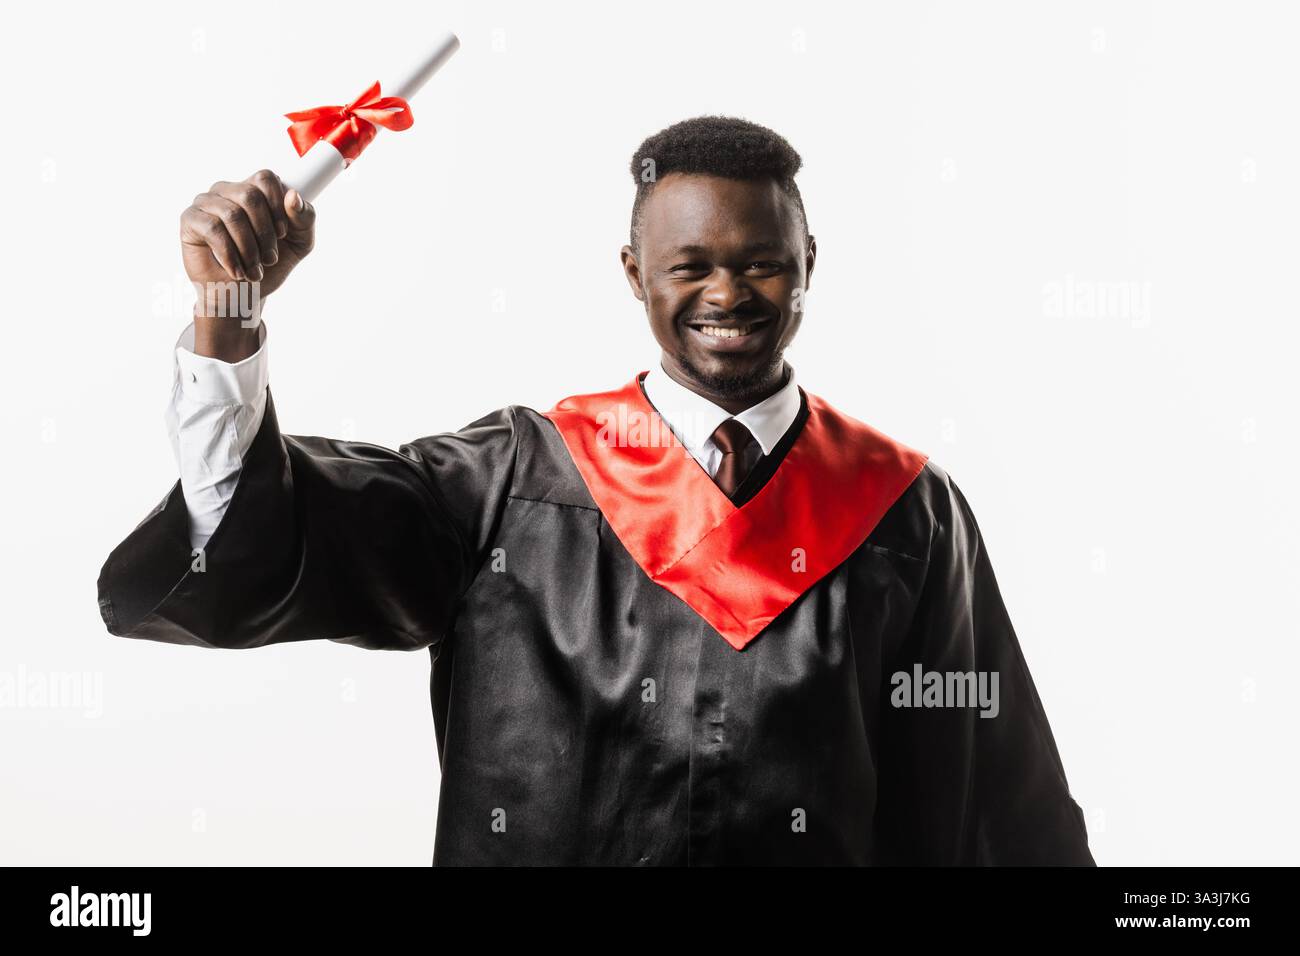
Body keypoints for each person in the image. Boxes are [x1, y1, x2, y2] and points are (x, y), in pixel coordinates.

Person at [97, 115, 1095, 866]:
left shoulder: (903, 511)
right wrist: (229, 310)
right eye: (690, 264)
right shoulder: (512, 482)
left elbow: (984, 811)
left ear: (807, 267)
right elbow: (259, 535)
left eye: (759, 264)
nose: (727, 295)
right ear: (633, 272)